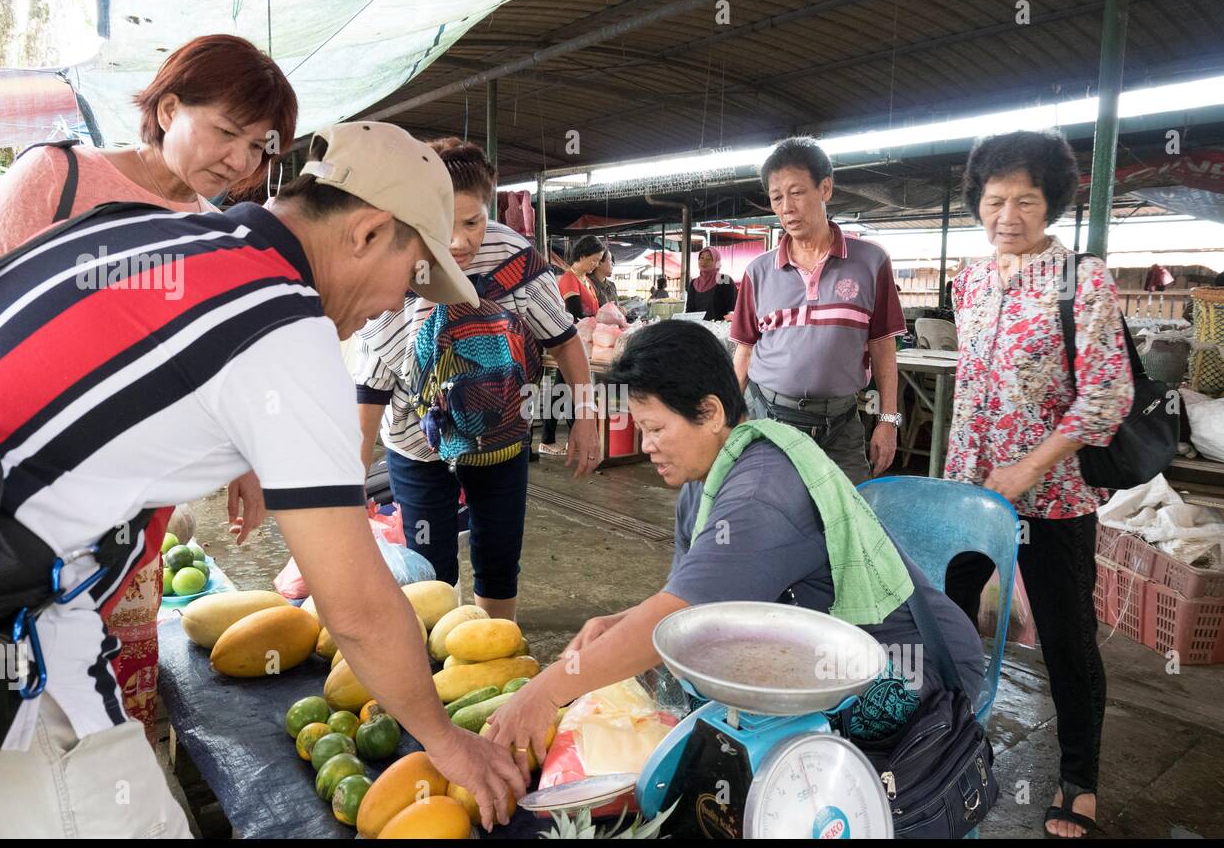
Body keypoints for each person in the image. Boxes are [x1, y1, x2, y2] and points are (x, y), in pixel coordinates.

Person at [0, 121, 526, 837]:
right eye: (412, 272)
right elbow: (358, 607)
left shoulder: (141, 232)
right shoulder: (283, 321)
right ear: (366, 233)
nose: (401, 302)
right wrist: (448, 739)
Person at [0, 34, 295, 740]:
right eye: (228, 133)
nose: (240, 161)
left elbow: (207, 372)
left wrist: (245, 458)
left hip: (131, 520)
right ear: (169, 107)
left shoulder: (214, 235)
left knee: (108, 707)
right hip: (5, 503)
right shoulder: (57, 179)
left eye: (260, 147)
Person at [485, 321, 985, 781]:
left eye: (657, 429)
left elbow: (686, 612)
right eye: (641, 430)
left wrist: (546, 691)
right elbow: (687, 599)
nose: (648, 445)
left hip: (912, 673)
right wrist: (620, 620)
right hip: (824, 657)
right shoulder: (704, 484)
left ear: (711, 411)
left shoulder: (759, 493)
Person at [941, 129, 1133, 838]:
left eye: (1026, 199)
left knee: (1066, 638)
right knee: (951, 616)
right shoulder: (969, 279)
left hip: (1051, 499)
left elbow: (1106, 396)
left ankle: (1079, 778)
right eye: (994, 200)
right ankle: (951, 739)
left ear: (1052, 201)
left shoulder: (1084, 281)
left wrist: (1027, 467)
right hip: (968, 493)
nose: (1008, 215)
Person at [354, 138, 600, 622]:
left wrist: (587, 419)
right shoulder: (390, 266)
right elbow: (371, 390)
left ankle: (493, 644)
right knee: (431, 565)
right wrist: (350, 483)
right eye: (442, 223)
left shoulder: (514, 257)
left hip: (501, 433)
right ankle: (438, 668)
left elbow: (565, 341)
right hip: (415, 442)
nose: (460, 241)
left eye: (472, 221)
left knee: (499, 553)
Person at [731, 136, 905, 484]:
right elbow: (745, 352)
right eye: (777, 197)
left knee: (849, 518)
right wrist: (729, 420)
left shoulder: (871, 261)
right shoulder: (758, 272)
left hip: (841, 425)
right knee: (774, 516)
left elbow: (883, 348)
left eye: (797, 192)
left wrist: (888, 422)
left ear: (825, 188)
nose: (786, 208)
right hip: (771, 419)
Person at [540, 235, 604, 456]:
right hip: (568, 341)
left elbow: (596, 310)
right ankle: (552, 439)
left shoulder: (587, 281)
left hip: (583, 342)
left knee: (564, 390)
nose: (596, 264)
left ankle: (559, 439)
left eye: (599, 261)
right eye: (594, 259)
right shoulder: (569, 278)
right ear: (583, 255)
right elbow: (575, 312)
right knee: (564, 390)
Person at [684, 244, 736, 320]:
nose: (704, 262)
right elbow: (689, 311)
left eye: (709, 259)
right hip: (697, 328)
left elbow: (732, 308)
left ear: (716, 262)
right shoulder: (694, 283)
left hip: (719, 328)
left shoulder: (724, 279)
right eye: (701, 258)